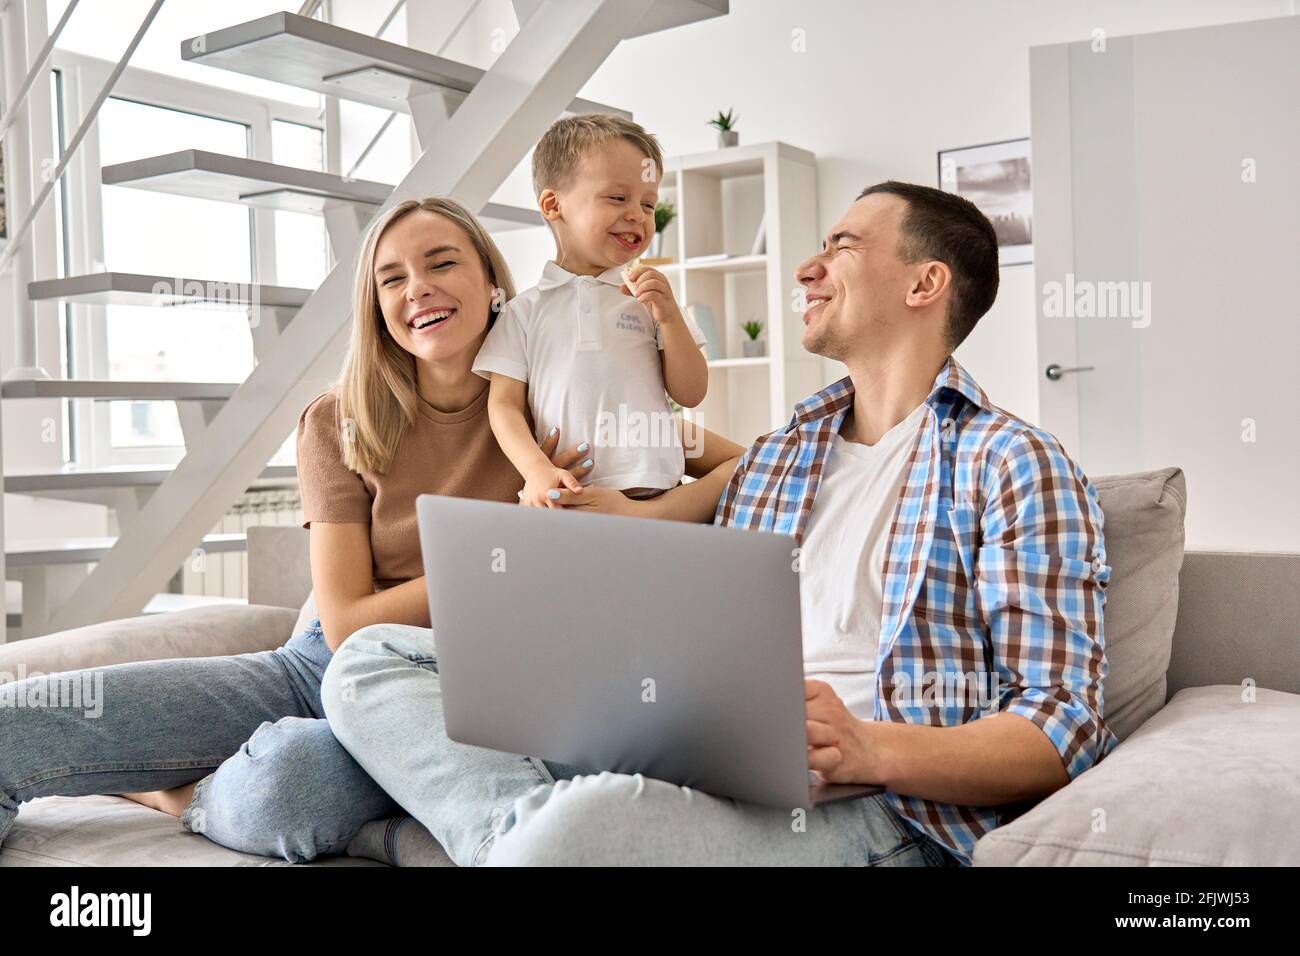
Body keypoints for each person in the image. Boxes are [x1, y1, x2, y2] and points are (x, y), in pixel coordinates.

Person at [320, 181, 1118, 866]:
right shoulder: (776, 457)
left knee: (581, 830)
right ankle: (512, 840)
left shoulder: (1012, 463)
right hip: (695, 748)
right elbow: (667, 564)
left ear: (924, 284)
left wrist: (868, 746)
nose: (806, 268)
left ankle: (516, 840)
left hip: (868, 806)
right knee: (367, 661)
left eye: (841, 245)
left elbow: (1063, 727)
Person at [0, 196, 743, 864]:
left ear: (493, 282)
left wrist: (641, 513)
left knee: (292, 787)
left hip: (471, 687)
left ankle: (185, 794)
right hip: (321, 667)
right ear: (378, 304)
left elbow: (754, 462)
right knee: (16, 722)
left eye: (441, 263)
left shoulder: (564, 398)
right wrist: (507, 546)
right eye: (392, 278)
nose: (416, 287)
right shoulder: (338, 420)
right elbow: (348, 622)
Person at [474, 113, 710, 507]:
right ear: (553, 205)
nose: (637, 214)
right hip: (572, 495)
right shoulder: (522, 312)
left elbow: (691, 393)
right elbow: (503, 405)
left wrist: (669, 319)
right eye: (618, 198)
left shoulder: (652, 300)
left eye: (648, 204)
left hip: (659, 492)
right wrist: (536, 469)